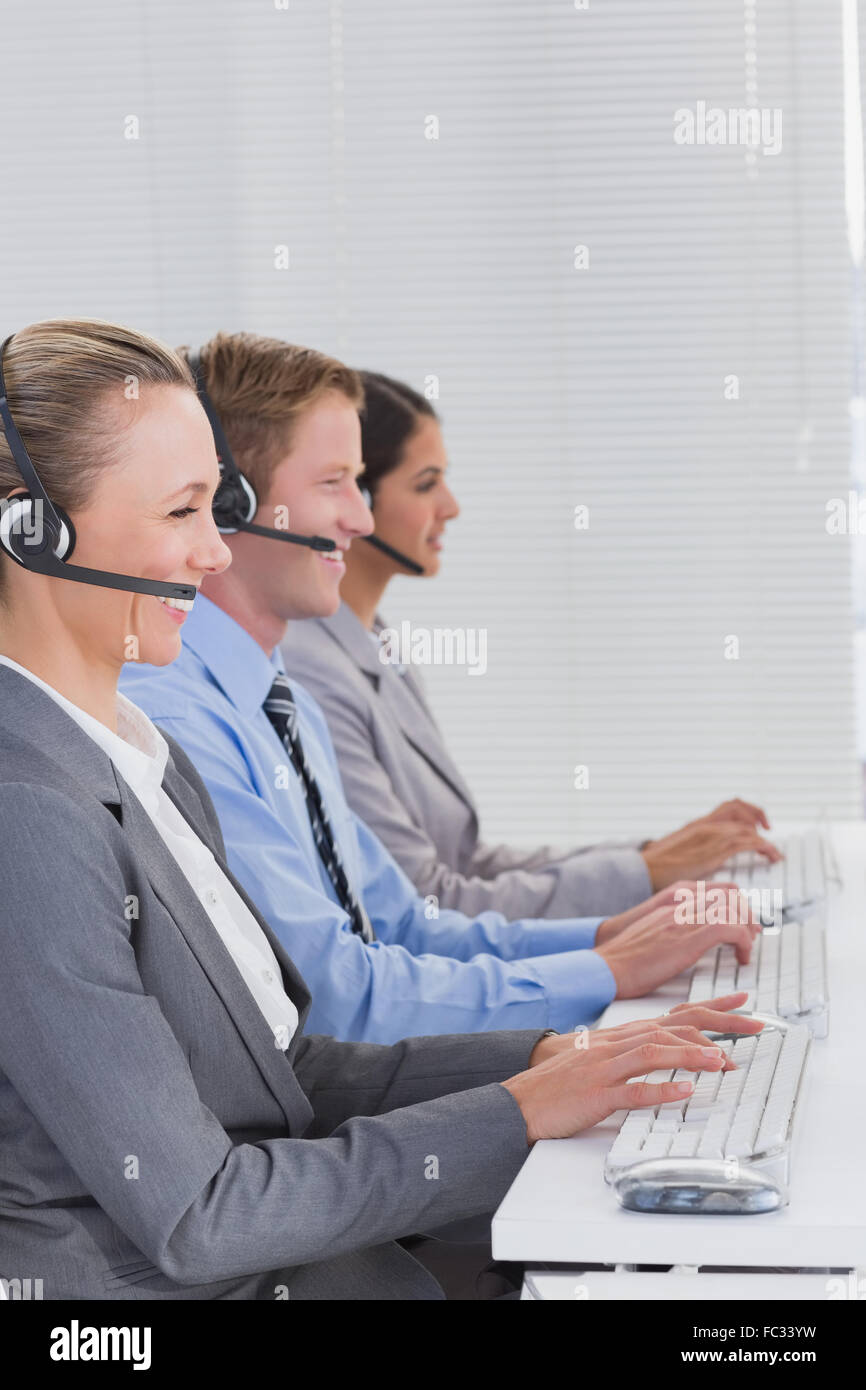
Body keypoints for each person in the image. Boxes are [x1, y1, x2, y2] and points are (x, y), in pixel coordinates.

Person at [0, 317, 760, 1301]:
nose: (215, 554)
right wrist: (515, 1112)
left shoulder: (144, 758)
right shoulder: (32, 812)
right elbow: (198, 1214)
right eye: (183, 511)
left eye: (217, 508)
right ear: (32, 528)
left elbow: (276, 1075)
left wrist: (553, 1057)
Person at [120, 331, 766, 1045]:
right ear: (233, 503)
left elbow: (402, 923)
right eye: (333, 484)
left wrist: (610, 936)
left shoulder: (281, 702)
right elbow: (334, 999)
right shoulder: (176, 724)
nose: (361, 521)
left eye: (360, 485)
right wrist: (606, 972)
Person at [283, 370, 780, 920]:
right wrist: (644, 877)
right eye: (426, 484)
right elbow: (431, 898)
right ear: (358, 498)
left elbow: (467, 862)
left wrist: (651, 854)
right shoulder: (312, 673)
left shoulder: (371, 641)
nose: (451, 506)